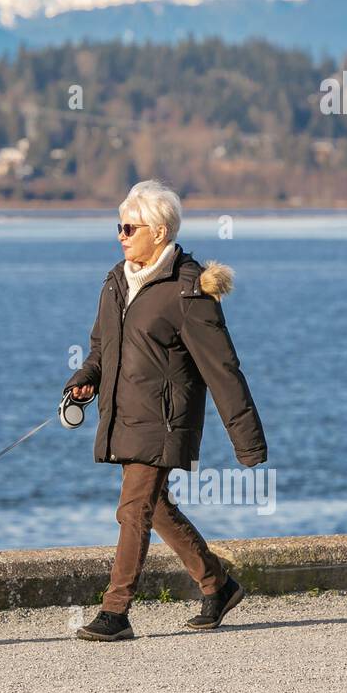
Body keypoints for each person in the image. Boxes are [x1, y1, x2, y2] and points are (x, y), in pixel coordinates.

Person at [65, 180, 267, 641]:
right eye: (119, 225)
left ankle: (115, 612)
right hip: (122, 415)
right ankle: (218, 584)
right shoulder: (117, 279)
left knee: (132, 509)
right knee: (154, 507)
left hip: (164, 421)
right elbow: (102, 346)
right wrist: (84, 379)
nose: (120, 234)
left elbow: (223, 369)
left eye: (129, 227)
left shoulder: (189, 289)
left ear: (158, 232)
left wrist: (248, 442)